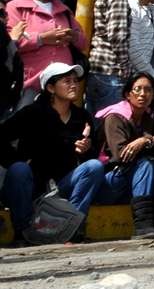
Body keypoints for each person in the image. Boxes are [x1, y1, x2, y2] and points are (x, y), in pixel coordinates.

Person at [0, 62, 105, 236]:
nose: (74, 84)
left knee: (94, 166)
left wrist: (86, 150)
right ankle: (24, 231)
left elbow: (93, 154)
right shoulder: (31, 113)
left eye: (75, 80)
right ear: (50, 87)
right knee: (19, 170)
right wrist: (17, 161)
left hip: (61, 187)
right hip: (30, 188)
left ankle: (71, 226)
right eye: (67, 80)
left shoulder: (82, 116)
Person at [6, 0, 88, 109]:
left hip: (60, 84)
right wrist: (41, 39)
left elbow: (83, 42)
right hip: (30, 82)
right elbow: (9, 43)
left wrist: (73, 37)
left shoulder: (63, 10)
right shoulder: (15, 7)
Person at [99, 73, 154, 238]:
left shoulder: (151, 116)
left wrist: (145, 140)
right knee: (147, 163)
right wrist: (153, 143)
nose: (142, 94)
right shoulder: (115, 117)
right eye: (137, 89)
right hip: (112, 181)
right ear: (128, 94)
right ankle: (143, 224)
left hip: (139, 178)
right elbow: (121, 154)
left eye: (148, 90)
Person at [86, 0, 141, 114]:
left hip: (96, 68)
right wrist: (125, 66)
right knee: (110, 125)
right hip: (111, 70)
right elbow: (117, 34)